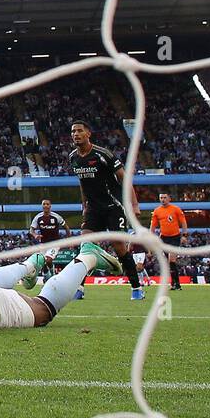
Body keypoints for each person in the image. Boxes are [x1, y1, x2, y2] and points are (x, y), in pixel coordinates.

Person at [68, 120, 144, 300]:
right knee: (85, 245)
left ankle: (136, 287)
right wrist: (84, 205)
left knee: (119, 248)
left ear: (88, 133)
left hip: (113, 206)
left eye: (79, 131)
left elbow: (124, 178)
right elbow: (82, 183)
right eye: (73, 131)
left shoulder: (103, 154)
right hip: (93, 209)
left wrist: (134, 205)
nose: (76, 134)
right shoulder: (73, 157)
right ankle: (79, 288)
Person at [150, 192, 188, 291]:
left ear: (169, 199)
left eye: (164, 197)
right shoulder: (157, 211)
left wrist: (184, 235)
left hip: (175, 237)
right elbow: (153, 226)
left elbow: (183, 222)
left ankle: (177, 284)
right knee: (169, 262)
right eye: (161, 198)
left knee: (172, 259)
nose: (163, 199)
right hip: (164, 238)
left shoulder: (176, 209)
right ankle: (175, 284)